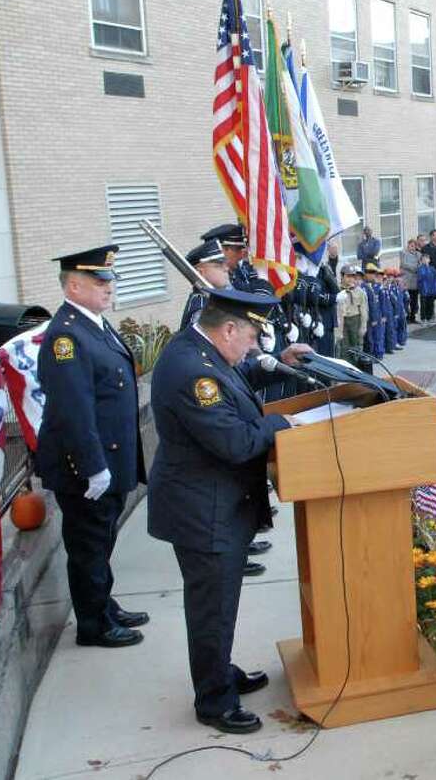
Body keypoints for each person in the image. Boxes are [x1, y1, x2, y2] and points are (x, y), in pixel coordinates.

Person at [148, 288, 312, 734]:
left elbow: (234, 388)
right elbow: (234, 442)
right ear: (229, 329)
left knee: (219, 605)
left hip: (213, 503)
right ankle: (214, 701)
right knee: (211, 608)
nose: (253, 347)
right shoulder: (191, 372)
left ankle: (220, 672)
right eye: (252, 337)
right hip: (205, 510)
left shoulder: (201, 350)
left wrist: (280, 363)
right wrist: (281, 423)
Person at [37, 245, 148, 649]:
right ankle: (93, 625)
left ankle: (103, 605)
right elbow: (73, 409)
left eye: (108, 281)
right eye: (99, 282)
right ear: (73, 285)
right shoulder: (66, 336)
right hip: (86, 467)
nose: (108, 288)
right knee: (88, 545)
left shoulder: (94, 323)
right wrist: (92, 466)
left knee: (102, 540)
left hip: (109, 458)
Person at [180, 239, 233, 329]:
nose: (226, 269)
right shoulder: (200, 307)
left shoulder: (216, 298)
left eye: (224, 264)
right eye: (218, 266)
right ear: (200, 273)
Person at [202, 223, 263, 293]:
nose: (242, 255)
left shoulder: (239, 271)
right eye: (238, 249)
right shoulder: (215, 281)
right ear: (221, 250)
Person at [335, 267, 368, 356]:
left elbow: (364, 310)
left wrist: (363, 326)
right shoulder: (337, 290)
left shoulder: (360, 292)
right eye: (348, 276)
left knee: (355, 345)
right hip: (342, 321)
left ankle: (356, 366)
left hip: (355, 321)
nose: (351, 279)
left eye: (353, 276)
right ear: (342, 276)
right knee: (342, 347)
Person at [400, 239, 422, 324]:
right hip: (406, 280)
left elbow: (420, 264)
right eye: (411, 245)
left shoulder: (418, 254)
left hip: (415, 280)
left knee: (414, 300)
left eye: (414, 246)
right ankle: (406, 315)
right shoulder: (403, 253)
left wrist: (418, 267)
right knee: (406, 299)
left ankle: (413, 316)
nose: (412, 247)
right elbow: (403, 264)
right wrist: (414, 268)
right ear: (408, 245)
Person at [416, 252, 436, 323]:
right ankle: (423, 318)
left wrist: (435, 287)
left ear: (429, 260)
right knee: (424, 305)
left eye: (427, 259)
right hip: (424, 290)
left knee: (431, 304)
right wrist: (425, 267)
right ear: (421, 261)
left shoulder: (432, 268)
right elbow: (421, 277)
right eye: (423, 259)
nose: (425, 260)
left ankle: (429, 317)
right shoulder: (420, 269)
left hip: (431, 289)